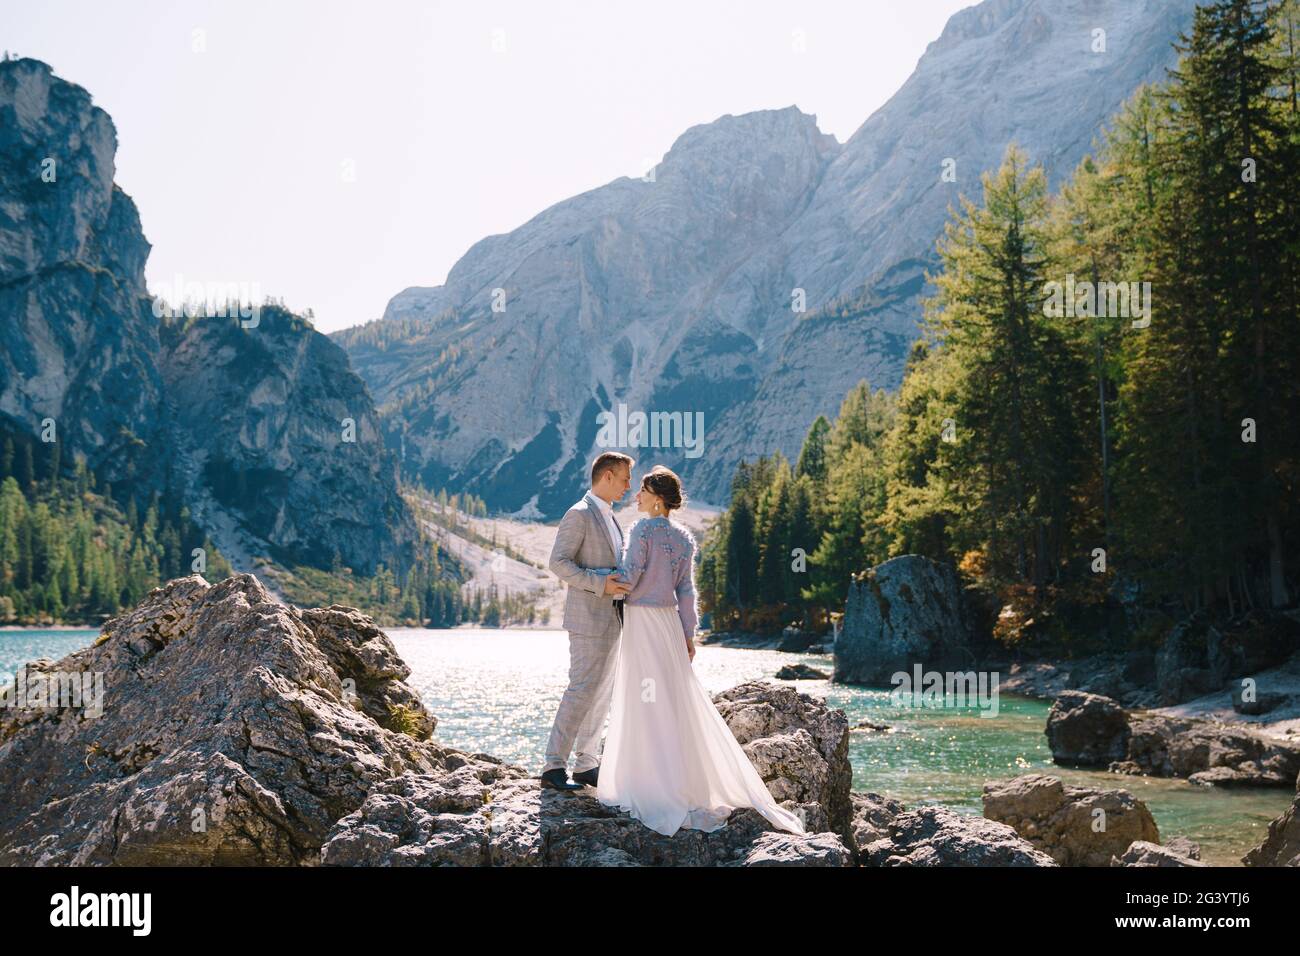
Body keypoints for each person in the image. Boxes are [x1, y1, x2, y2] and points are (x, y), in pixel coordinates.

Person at [596, 465, 806, 836]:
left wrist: (597, 582)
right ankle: (682, 781)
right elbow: (686, 593)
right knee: (673, 701)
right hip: (670, 626)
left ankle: (648, 784)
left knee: (644, 700)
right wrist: (689, 635)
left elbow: (630, 576)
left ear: (657, 498)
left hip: (643, 623)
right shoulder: (684, 539)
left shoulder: (642, 530)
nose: (636, 497)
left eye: (642, 491)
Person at [540, 452, 634, 790]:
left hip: (613, 619)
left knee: (601, 692)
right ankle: (553, 767)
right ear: (607, 476)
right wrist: (601, 583)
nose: (628, 486)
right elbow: (559, 562)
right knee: (581, 690)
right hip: (588, 620)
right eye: (624, 478)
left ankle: (587, 764)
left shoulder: (611, 517)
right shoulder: (579, 514)